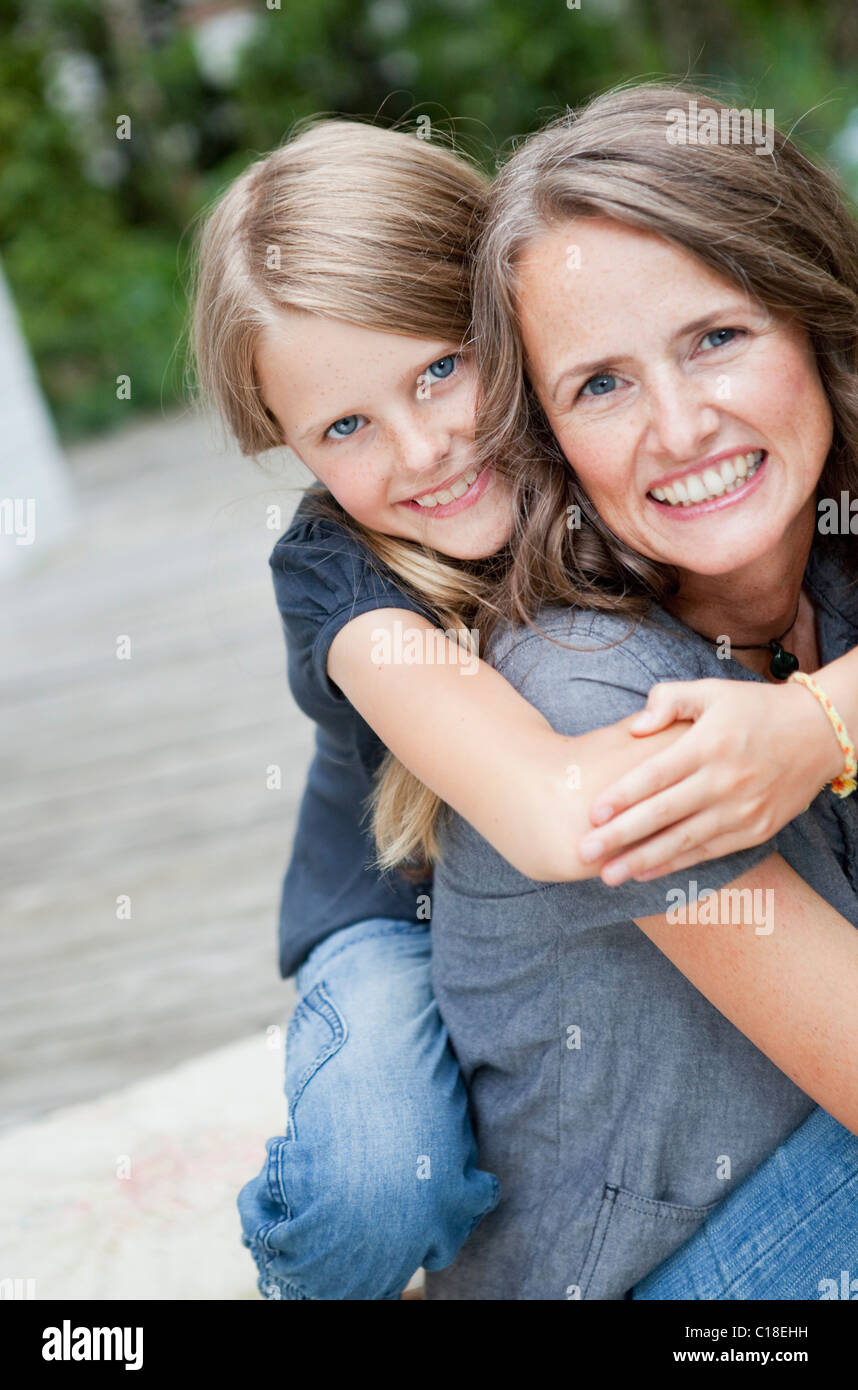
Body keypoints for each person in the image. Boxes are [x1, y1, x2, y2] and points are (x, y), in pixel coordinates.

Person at [189, 109, 858, 1302]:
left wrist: (817, 720)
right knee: (373, 1171)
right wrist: (810, 729)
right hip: (381, 907)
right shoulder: (367, 587)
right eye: (344, 427)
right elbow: (567, 815)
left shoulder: (713, 528)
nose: (425, 448)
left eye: (444, 368)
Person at [421, 83, 858, 1301]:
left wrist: (823, 719)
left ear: (809, 315)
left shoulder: (830, 561)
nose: (679, 424)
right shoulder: (587, 691)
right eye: (599, 385)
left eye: (716, 337)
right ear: (546, 435)